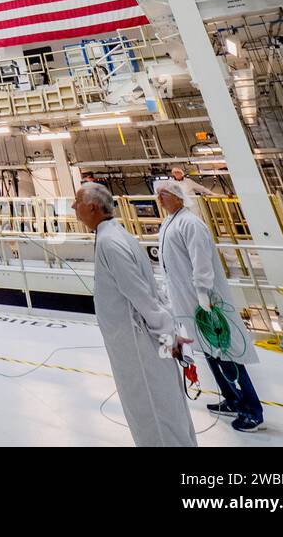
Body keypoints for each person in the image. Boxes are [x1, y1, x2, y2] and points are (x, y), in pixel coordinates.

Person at [74, 182, 196, 447]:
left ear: (92, 207)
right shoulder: (117, 235)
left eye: (77, 202)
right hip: (140, 342)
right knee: (164, 410)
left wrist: (170, 340)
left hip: (140, 347)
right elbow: (151, 292)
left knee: (153, 414)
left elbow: (143, 298)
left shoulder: (110, 243)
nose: (74, 207)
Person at [155, 177, 264, 432]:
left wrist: (203, 292)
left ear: (178, 196)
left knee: (226, 355)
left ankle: (251, 411)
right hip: (186, 302)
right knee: (209, 354)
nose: (160, 199)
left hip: (204, 303)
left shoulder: (190, 223)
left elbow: (201, 261)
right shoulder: (168, 224)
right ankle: (231, 399)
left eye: (164, 194)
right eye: (158, 195)